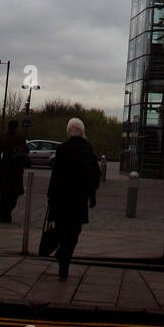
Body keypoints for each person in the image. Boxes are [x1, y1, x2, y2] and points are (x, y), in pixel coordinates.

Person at [47, 118, 100, 279]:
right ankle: (65, 256)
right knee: (74, 232)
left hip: (62, 198)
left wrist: (51, 196)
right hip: (79, 198)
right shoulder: (87, 148)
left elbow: (55, 175)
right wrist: (92, 195)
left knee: (62, 230)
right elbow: (93, 175)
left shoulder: (61, 149)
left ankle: (63, 259)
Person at [0, 120, 30, 223]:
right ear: (16, 127)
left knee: (4, 194)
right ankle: (7, 213)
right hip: (16, 169)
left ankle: (4, 215)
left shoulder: (3, 138)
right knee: (14, 194)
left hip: (4, 168)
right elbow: (25, 152)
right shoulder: (21, 138)